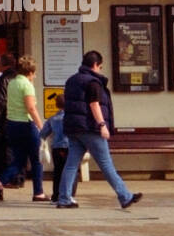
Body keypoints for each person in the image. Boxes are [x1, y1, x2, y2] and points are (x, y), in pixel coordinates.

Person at [56, 51, 142, 210]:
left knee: (71, 165)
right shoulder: (93, 82)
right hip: (91, 129)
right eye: (100, 67)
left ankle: (64, 198)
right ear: (95, 65)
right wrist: (102, 125)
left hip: (73, 128)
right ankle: (125, 196)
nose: (100, 70)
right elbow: (94, 105)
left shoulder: (71, 81)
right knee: (106, 164)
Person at [0, 55, 48, 203]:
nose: (35, 76)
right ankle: (38, 193)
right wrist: (41, 126)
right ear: (30, 72)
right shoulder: (26, 85)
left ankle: (0, 180)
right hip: (26, 124)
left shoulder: (12, 83)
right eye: (34, 73)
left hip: (12, 124)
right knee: (37, 160)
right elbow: (31, 108)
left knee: (19, 160)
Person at [40, 110, 79, 204]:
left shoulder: (52, 118)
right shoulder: (73, 117)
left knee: (58, 172)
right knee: (72, 171)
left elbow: (43, 134)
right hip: (71, 147)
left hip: (57, 148)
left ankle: (56, 196)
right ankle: (69, 195)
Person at [0, 53, 15, 181]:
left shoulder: (2, 80)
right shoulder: (19, 78)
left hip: (5, 119)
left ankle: (10, 178)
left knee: (6, 150)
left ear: (2, 64)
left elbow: (0, 101)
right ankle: (18, 178)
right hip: (19, 117)